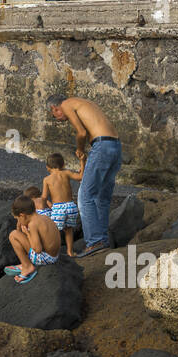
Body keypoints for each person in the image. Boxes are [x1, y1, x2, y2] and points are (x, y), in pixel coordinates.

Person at [45, 95, 123, 257]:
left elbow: (81, 132)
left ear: (55, 108)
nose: (60, 119)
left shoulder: (66, 103)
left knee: (84, 196)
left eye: (56, 116)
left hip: (101, 145)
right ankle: (102, 241)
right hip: (115, 145)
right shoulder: (85, 102)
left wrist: (80, 149)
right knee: (101, 197)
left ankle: (94, 241)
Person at [5, 195, 61, 284]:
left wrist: (28, 233)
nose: (19, 221)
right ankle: (25, 263)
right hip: (55, 255)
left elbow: (37, 249)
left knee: (13, 235)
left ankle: (27, 267)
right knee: (20, 235)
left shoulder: (33, 224)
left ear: (22, 215)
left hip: (47, 258)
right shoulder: (44, 217)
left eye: (18, 219)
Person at [41, 153, 84, 257]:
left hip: (58, 208)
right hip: (70, 206)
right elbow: (80, 177)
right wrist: (82, 162)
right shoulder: (66, 173)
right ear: (63, 164)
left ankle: (53, 252)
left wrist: (44, 207)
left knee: (54, 231)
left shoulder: (47, 179)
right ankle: (70, 251)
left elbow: (44, 197)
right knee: (68, 230)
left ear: (48, 167)